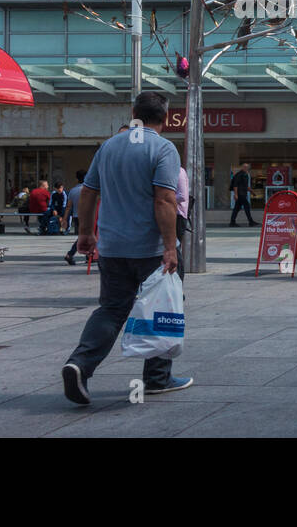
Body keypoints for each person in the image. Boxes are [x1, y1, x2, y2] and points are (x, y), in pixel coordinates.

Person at [62, 91, 190, 405]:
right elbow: (164, 199)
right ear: (166, 118)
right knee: (161, 307)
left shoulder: (109, 146)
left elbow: (89, 193)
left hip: (113, 248)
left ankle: (80, 364)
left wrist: (85, 234)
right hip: (150, 251)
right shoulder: (163, 148)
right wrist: (170, 248)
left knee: (111, 310)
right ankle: (157, 379)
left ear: (133, 112)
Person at [64, 170, 86, 266]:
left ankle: (90, 256)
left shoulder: (72, 191)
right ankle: (70, 254)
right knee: (85, 236)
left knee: (84, 236)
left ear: (76, 179)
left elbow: (68, 206)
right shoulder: (89, 189)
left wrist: (64, 219)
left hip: (76, 217)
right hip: (88, 217)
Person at [229, 162, 254, 227]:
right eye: (245, 167)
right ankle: (251, 222)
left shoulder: (245, 174)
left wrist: (251, 191)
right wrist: (236, 194)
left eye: (247, 167)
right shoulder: (239, 175)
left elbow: (245, 186)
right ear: (242, 167)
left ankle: (232, 222)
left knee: (236, 208)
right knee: (247, 206)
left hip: (242, 193)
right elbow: (235, 185)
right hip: (240, 194)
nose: (246, 168)